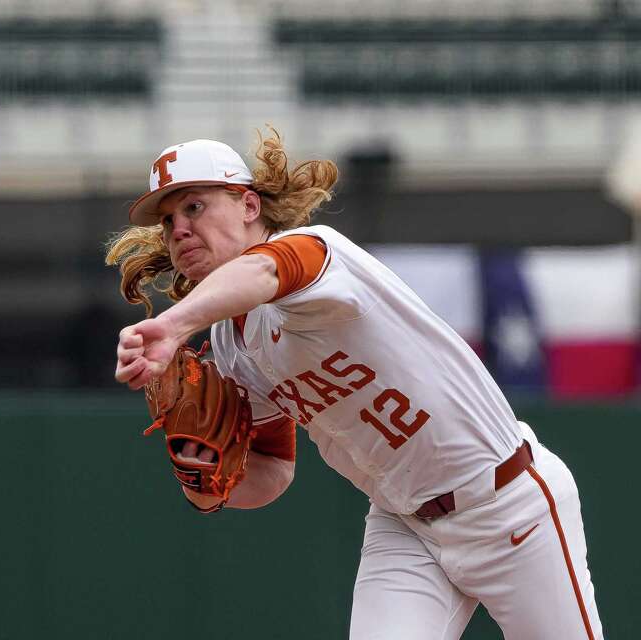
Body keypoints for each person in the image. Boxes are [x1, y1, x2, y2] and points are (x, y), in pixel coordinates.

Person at [106, 129, 603, 639]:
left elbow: (264, 274)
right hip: (405, 528)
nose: (179, 229)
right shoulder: (231, 345)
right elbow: (273, 470)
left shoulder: (315, 252)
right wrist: (207, 481)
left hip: (507, 504)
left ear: (249, 204)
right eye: (168, 222)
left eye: (195, 206)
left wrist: (171, 326)